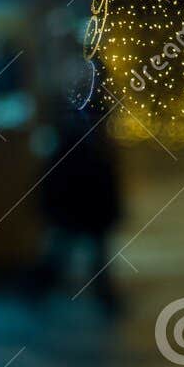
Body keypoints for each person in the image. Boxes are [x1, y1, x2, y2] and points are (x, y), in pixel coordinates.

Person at [29, 84, 123, 311]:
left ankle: (36, 292)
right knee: (81, 255)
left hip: (78, 207)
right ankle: (105, 299)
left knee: (67, 252)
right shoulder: (92, 143)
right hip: (85, 206)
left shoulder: (68, 140)